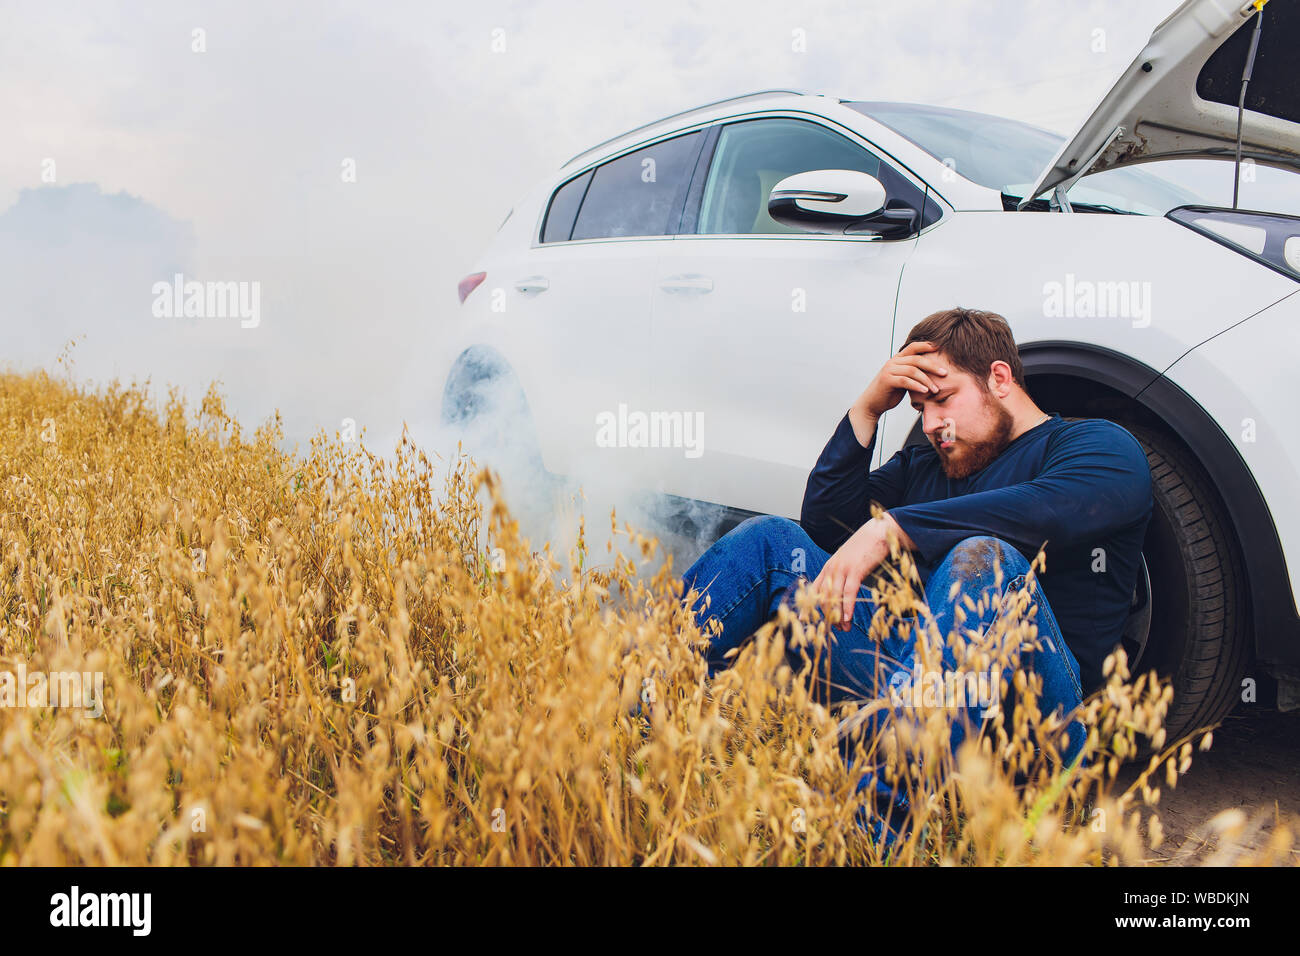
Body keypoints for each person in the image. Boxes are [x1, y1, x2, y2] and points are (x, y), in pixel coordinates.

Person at [679, 307, 1154, 844]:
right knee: (771, 541)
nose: (930, 425)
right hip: (909, 692)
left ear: (999, 379)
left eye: (943, 399)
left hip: (1030, 729)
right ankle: (636, 703)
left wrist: (892, 530)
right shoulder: (925, 465)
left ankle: (871, 837)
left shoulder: (1095, 447)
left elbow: (1049, 509)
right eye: (918, 407)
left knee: (983, 558)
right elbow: (828, 527)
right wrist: (866, 410)